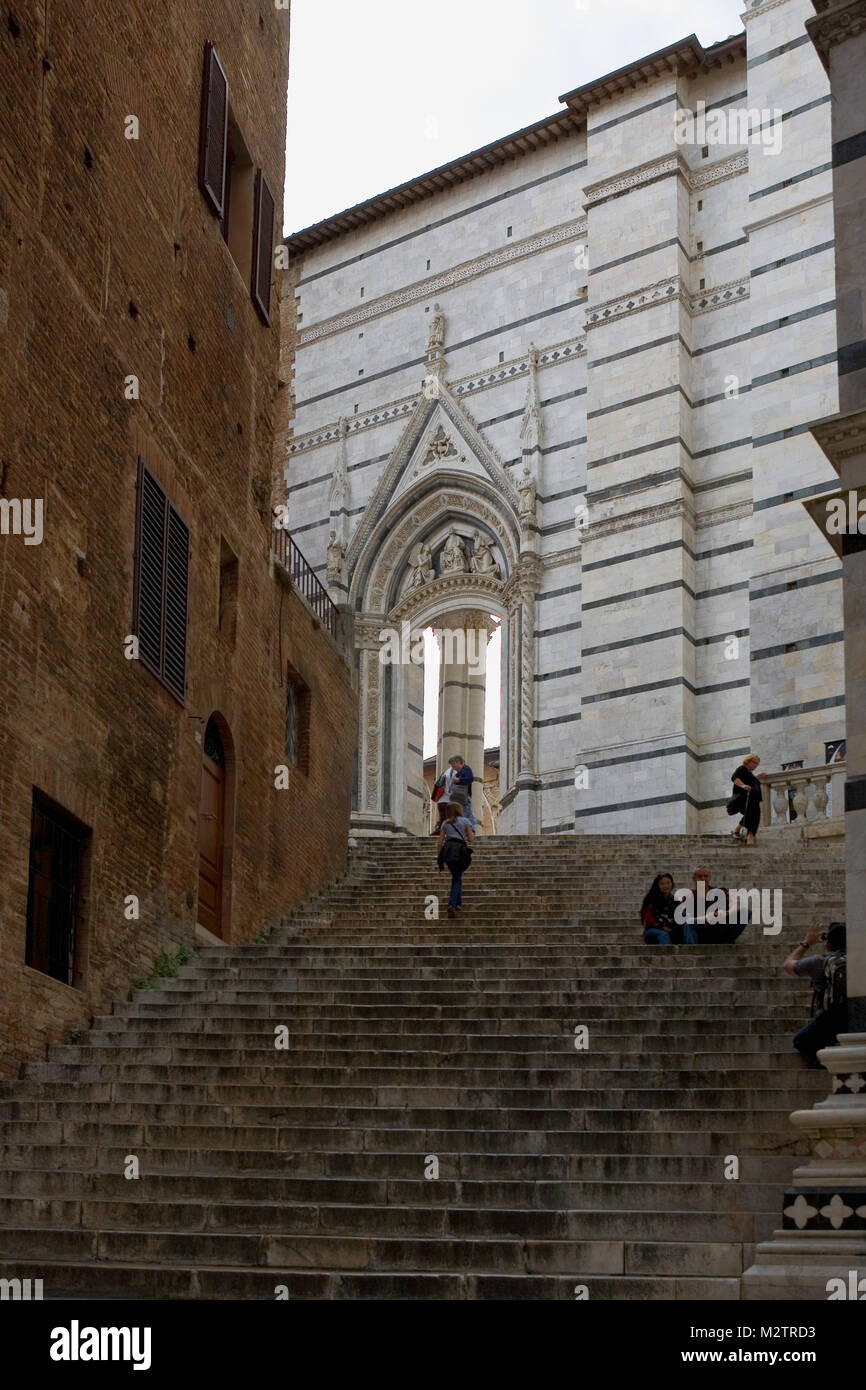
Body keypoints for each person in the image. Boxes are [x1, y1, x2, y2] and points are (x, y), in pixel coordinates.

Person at [785, 921, 847, 1067]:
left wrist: (807, 943)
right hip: (861, 1021)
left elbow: (788, 965)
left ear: (828, 945)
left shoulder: (819, 962)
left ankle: (822, 1062)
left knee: (800, 1041)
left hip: (833, 1021)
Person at [682, 867, 748, 944]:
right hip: (701, 928)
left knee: (745, 911)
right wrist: (706, 917)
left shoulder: (720, 891)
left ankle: (727, 941)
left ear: (709, 877)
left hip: (719, 926)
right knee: (689, 922)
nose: (703, 878)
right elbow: (683, 914)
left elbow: (734, 906)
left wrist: (724, 913)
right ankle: (692, 950)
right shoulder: (689, 895)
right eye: (700, 876)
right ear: (694, 878)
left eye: (706, 876)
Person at [437, 801, 475, 919]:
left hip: (448, 851)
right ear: (459, 810)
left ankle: (458, 904)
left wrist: (440, 856)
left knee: (457, 876)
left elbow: (440, 842)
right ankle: (452, 904)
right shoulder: (465, 821)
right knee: (457, 877)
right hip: (460, 850)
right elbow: (471, 839)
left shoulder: (445, 823)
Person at [640, 873, 694, 945]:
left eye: (668, 883)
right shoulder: (651, 900)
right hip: (653, 930)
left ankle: (690, 947)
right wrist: (662, 927)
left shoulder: (675, 900)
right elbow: (649, 920)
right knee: (664, 935)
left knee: (687, 921)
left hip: (671, 930)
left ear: (672, 884)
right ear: (658, 885)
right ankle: (667, 956)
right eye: (662, 884)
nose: (666, 886)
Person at [728, 754, 762, 846]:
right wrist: (743, 785)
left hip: (752, 800)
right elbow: (734, 778)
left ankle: (739, 831)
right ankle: (750, 836)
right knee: (752, 813)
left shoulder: (749, 774)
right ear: (748, 761)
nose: (755, 765)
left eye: (757, 764)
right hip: (742, 798)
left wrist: (757, 777)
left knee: (753, 814)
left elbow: (751, 781)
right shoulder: (742, 769)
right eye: (754, 762)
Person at [447, 754, 477, 831]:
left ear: (458, 762)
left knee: (467, 812)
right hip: (459, 797)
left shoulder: (466, 769)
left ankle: (471, 829)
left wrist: (459, 780)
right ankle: (465, 829)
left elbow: (470, 779)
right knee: (463, 812)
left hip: (465, 795)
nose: (452, 767)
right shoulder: (458, 773)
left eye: (453, 764)